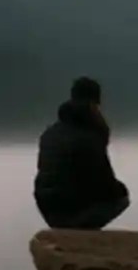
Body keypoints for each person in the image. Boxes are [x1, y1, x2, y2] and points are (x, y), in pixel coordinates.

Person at [34, 76, 130, 230]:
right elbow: (104, 180)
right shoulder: (90, 136)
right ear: (94, 104)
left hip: (47, 208)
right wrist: (120, 189)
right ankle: (85, 231)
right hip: (71, 212)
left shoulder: (50, 133)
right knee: (121, 198)